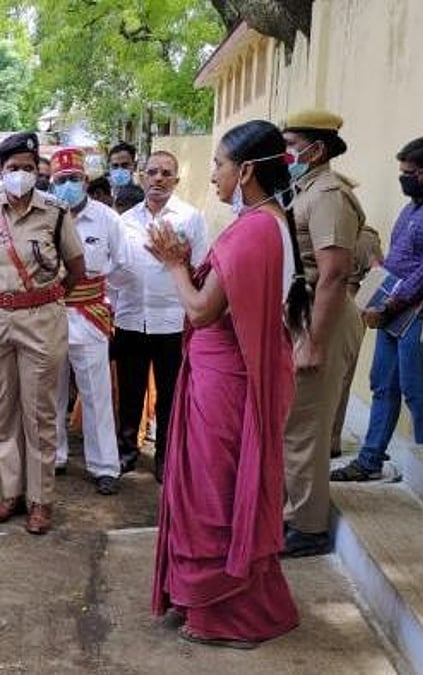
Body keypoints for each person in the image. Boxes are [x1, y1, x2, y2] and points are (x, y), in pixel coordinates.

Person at [150, 119, 305, 648]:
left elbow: (200, 309)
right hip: (222, 374)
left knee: (213, 492)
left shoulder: (255, 229)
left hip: (227, 383)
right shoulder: (263, 222)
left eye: (219, 164)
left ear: (249, 170)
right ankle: (197, 595)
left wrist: (173, 265)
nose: (213, 174)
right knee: (206, 486)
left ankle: (226, 610)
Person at [0, 132, 85, 535]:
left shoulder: (54, 213)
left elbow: (77, 269)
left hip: (40, 320)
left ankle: (41, 500)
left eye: (28, 168)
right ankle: (11, 492)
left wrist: (40, 300)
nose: (20, 174)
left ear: (39, 172)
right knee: (3, 410)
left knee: (39, 414)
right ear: (0, 173)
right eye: (13, 168)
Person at [334, 137, 423, 481]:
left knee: (417, 391)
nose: (404, 178)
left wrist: (392, 302)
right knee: (383, 386)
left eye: (410, 172)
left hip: (417, 311)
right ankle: (370, 460)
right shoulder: (413, 206)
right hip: (391, 311)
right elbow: (399, 258)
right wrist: (378, 290)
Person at [280, 109, 365, 557]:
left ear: (315, 148)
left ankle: (307, 527)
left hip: (323, 317)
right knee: (293, 423)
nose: (285, 152)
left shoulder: (329, 194)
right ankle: (292, 512)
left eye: (291, 144)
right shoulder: (303, 189)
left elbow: (333, 274)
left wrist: (313, 340)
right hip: (305, 313)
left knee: (306, 427)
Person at [114, 150, 209, 481]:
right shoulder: (124, 221)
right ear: (142, 177)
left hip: (171, 321)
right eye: (152, 172)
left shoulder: (190, 218)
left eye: (166, 173)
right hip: (129, 318)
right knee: (130, 391)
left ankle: (166, 458)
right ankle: (126, 452)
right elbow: (116, 268)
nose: (158, 178)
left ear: (176, 180)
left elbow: (200, 267)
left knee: (170, 394)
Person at [48, 148, 129, 495]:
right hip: (50, 312)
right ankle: (55, 456)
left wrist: (100, 290)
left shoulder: (107, 218)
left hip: (91, 313)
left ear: (85, 180)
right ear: (52, 183)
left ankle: (104, 466)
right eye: (61, 180)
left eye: (75, 179)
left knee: (96, 393)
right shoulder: (44, 216)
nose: (68, 185)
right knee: (51, 391)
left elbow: (123, 265)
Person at [329, 223, 384, 459]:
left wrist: (359, 307)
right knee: (338, 379)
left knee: (336, 379)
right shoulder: (363, 235)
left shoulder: (361, 235)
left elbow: (378, 273)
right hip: (338, 303)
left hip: (342, 301)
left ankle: (329, 439)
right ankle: (329, 439)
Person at [107, 142, 145, 213]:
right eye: (115, 166)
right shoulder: (101, 196)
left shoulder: (142, 198)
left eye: (125, 165)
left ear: (134, 166)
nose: (119, 170)